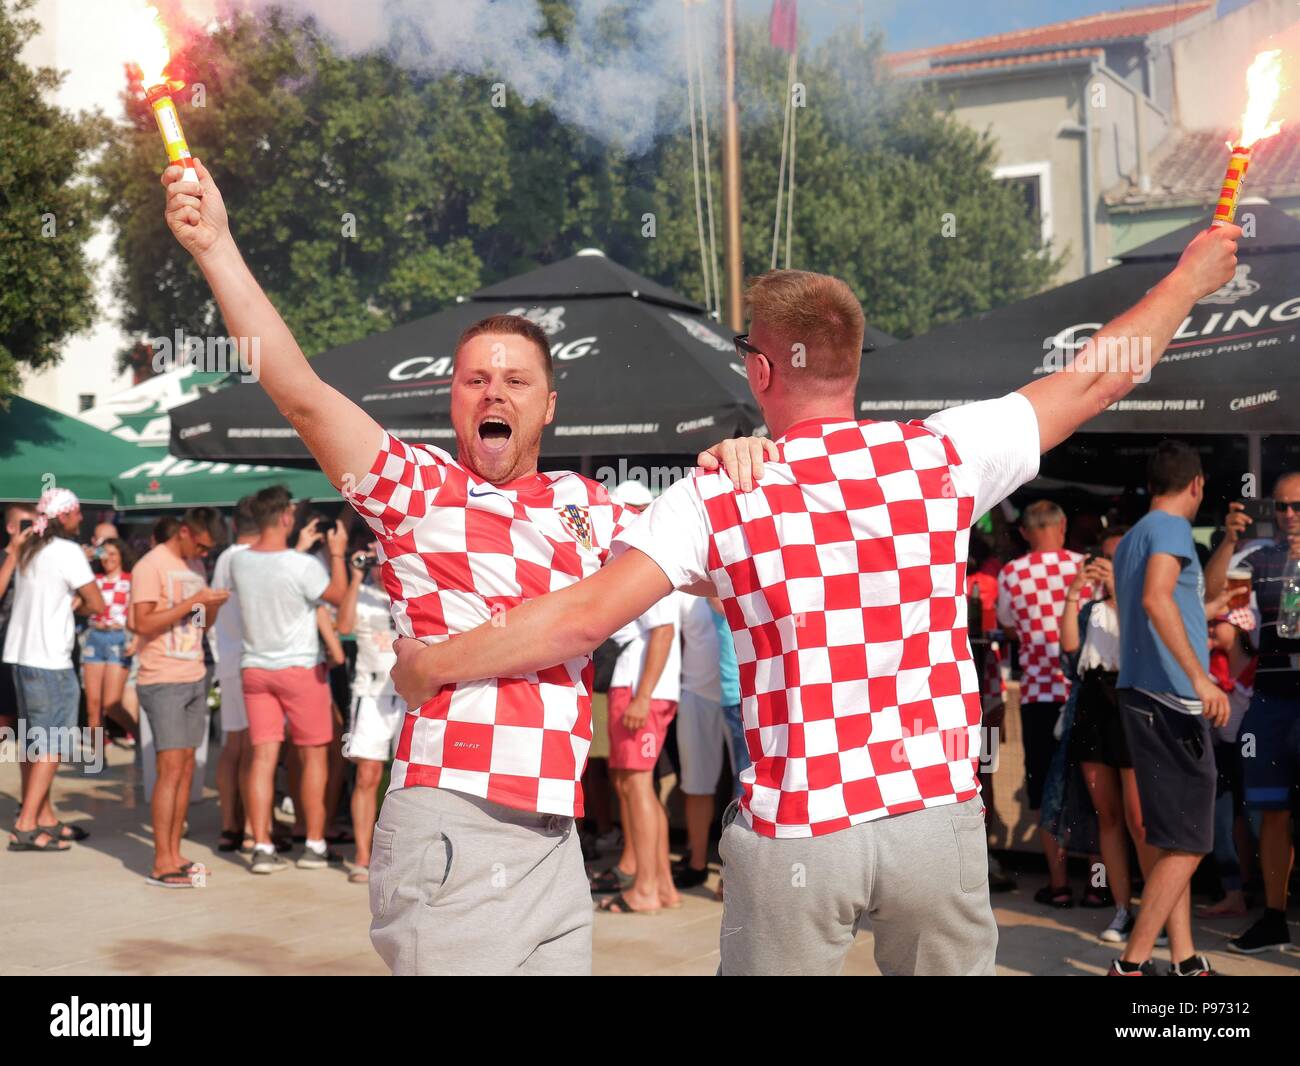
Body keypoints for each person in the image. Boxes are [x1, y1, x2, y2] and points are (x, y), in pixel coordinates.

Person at [391, 224, 1240, 976]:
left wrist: (434, 663)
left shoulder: (717, 496)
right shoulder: (941, 455)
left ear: (762, 370)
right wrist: (1189, 282)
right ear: (854, 357)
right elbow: (1097, 379)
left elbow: (579, 617)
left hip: (798, 827)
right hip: (932, 819)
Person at [162, 156, 763, 973]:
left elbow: (717, 545)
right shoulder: (417, 489)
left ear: (548, 406)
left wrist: (741, 458)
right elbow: (298, 389)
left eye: (516, 381)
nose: (494, 393)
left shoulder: (594, 507)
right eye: (476, 379)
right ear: (452, 399)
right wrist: (218, 248)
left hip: (555, 831)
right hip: (455, 812)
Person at [1109, 441, 1231, 976]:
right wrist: (1203, 678)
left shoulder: (1133, 537)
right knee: (1190, 842)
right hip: (1171, 701)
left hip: (1139, 695)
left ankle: (1184, 961)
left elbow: (1160, 606)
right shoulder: (1173, 528)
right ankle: (1131, 966)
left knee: (1169, 837)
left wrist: (1208, 610)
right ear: (1196, 484)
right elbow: (1156, 600)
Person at [228, 487, 347, 874]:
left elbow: (278, 568)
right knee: (313, 756)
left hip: (255, 669)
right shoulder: (304, 566)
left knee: (262, 757)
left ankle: (261, 846)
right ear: (285, 518)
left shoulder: (239, 563)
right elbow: (339, 595)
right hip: (299, 669)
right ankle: (314, 844)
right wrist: (338, 553)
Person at [1207, 472, 1300, 954]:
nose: (1289, 516)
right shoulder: (1259, 557)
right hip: (1272, 694)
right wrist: (1229, 538)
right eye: (1281, 507)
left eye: (1297, 506)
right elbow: (1212, 595)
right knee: (1270, 810)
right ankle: (1274, 916)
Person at [131, 507, 228, 887]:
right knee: (171, 769)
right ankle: (161, 861)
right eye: (202, 545)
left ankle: (174, 853)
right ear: (185, 532)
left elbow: (200, 626)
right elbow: (142, 623)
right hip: (162, 676)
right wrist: (193, 602)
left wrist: (212, 607)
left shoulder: (195, 567)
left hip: (193, 673)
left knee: (186, 768)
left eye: (209, 550)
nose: (204, 554)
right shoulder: (150, 565)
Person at [3, 489, 105, 852]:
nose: (81, 519)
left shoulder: (32, 549)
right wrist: (76, 604)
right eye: (78, 513)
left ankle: (43, 815)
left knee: (32, 743)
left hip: (20, 657)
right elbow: (96, 601)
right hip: (50, 661)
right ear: (66, 516)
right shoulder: (67, 551)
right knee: (53, 742)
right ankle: (26, 824)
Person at [997, 500, 1086, 908]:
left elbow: (1008, 625)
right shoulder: (1085, 568)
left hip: (1037, 694)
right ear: (1062, 526)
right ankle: (1101, 885)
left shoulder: (1012, 573)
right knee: (1089, 790)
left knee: (1045, 792)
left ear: (1026, 533)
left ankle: (1060, 884)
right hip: (1082, 693)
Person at [1059, 528, 1138, 942]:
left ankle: (1156, 909)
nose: (1106, 564)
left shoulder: (1141, 602)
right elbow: (1070, 648)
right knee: (1107, 815)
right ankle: (1123, 909)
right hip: (1093, 703)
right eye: (1102, 556)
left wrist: (1120, 587)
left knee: (1140, 820)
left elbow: (1140, 644)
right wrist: (1076, 589)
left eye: (1115, 557)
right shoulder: (1091, 609)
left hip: (1128, 703)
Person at [337, 541, 402, 884]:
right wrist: (354, 575)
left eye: (383, 560)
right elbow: (344, 626)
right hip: (370, 691)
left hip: (408, 693)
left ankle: (401, 854)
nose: (378, 568)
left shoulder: (410, 591)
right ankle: (363, 855)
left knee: (408, 780)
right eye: (372, 561)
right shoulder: (361, 593)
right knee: (367, 775)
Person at [1201, 606, 1257, 921]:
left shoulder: (1257, 668)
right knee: (1222, 822)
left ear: (1237, 629)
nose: (1211, 629)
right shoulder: (1212, 665)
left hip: (1250, 754)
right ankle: (1233, 890)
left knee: (1251, 821)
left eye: (1218, 624)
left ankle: (1249, 886)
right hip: (1222, 752)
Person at [210, 495, 258, 854]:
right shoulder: (251, 559)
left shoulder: (224, 558)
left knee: (232, 746)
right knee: (255, 749)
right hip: (253, 659)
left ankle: (231, 826)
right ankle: (258, 832)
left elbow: (210, 610)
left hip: (227, 658)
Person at [673, 592, 727, 890]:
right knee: (695, 784)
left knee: (744, 786)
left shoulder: (745, 571)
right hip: (695, 694)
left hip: (742, 696)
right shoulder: (683, 586)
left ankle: (731, 872)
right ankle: (696, 862)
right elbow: (672, 640)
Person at [83, 539, 136, 743]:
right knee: (93, 705)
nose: (108, 558)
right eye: (104, 554)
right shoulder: (92, 579)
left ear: (122, 556)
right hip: (94, 637)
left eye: (113, 553)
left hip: (119, 637)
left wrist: (136, 638)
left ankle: (140, 738)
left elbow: (137, 611)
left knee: (111, 704)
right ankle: (96, 759)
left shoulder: (130, 579)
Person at [0, 504, 38, 737]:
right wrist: (14, 555)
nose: (29, 531)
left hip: (30, 647)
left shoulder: (38, 560)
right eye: (25, 525)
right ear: (10, 527)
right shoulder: (4, 557)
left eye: (33, 525)